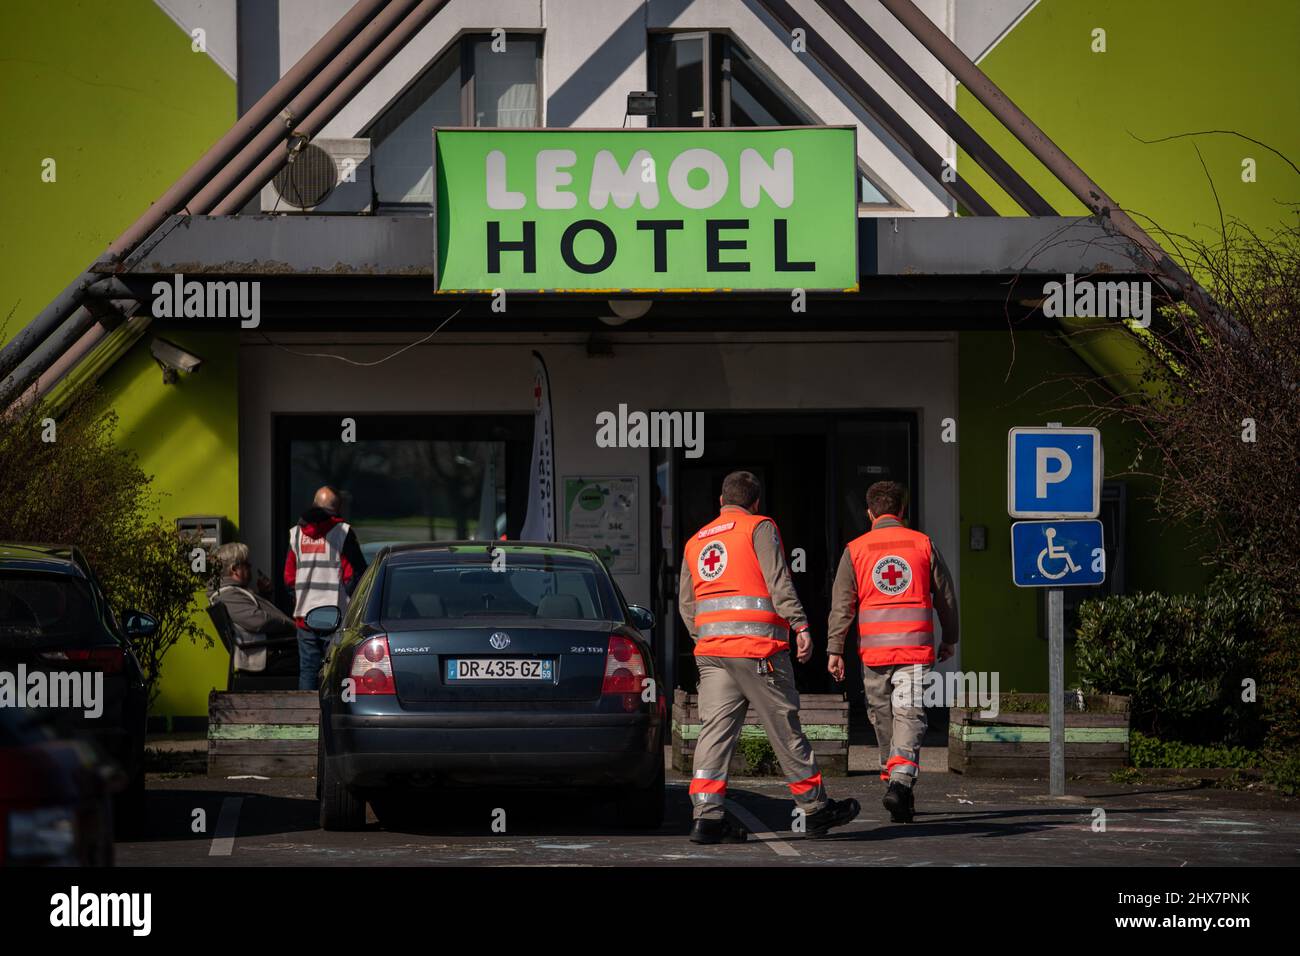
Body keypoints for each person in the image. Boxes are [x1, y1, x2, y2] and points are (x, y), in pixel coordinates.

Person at [679, 470, 860, 844]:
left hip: (713, 654)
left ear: (721, 502)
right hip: (757, 650)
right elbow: (777, 579)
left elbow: (686, 604)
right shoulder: (759, 527)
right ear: (755, 502)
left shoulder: (696, 541)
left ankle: (707, 817)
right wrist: (800, 625)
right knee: (784, 727)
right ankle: (813, 808)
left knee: (714, 734)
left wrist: (708, 638)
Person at [826, 480, 959, 823]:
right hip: (914, 649)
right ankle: (898, 784)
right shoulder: (922, 544)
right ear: (902, 511)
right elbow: (945, 596)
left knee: (881, 716)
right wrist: (950, 637)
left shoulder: (855, 549)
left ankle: (897, 781)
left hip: (874, 654)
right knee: (909, 714)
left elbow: (842, 605)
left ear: (870, 513)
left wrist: (835, 649)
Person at [283, 486, 368, 690]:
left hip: (305, 617)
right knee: (337, 673)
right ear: (336, 509)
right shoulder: (342, 533)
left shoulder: (295, 535)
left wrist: (298, 598)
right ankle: (332, 719)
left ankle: (309, 720)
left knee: (308, 672)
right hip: (336, 617)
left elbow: (288, 578)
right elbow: (353, 577)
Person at [209, 542, 297, 674]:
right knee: (313, 659)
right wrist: (293, 626)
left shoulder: (235, 592)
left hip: (273, 650)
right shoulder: (227, 595)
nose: (251, 568)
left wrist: (264, 595)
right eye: (247, 565)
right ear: (234, 570)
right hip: (270, 655)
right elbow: (258, 621)